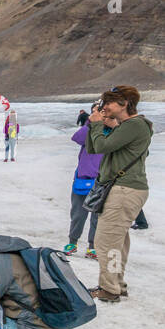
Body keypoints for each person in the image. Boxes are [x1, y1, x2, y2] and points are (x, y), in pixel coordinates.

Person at [86, 86, 152, 303]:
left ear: (124, 104)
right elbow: (94, 147)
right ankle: (116, 284)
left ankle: (109, 289)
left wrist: (97, 125)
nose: (105, 107)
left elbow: (103, 145)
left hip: (124, 189)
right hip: (126, 188)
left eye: (110, 103)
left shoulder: (135, 125)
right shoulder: (129, 126)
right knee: (116, 241)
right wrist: (98, 126)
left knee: (106, 241)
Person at [66, 108, 101, 258]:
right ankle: (73, 242)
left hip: (101, 180)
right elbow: (77, 138)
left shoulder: (112, 130)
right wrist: (90, 123)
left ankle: (92, 246)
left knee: (97, 216)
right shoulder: (89, 129)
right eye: (93, 111)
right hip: (83, 178)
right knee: (78, 214)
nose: (96, 113)